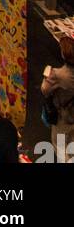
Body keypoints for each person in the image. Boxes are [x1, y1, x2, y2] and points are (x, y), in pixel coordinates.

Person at [40, 34, 74, 162]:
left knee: (60, 147)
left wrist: (46, 76)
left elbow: (45, 90)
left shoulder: (58, 74)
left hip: (62, 117)